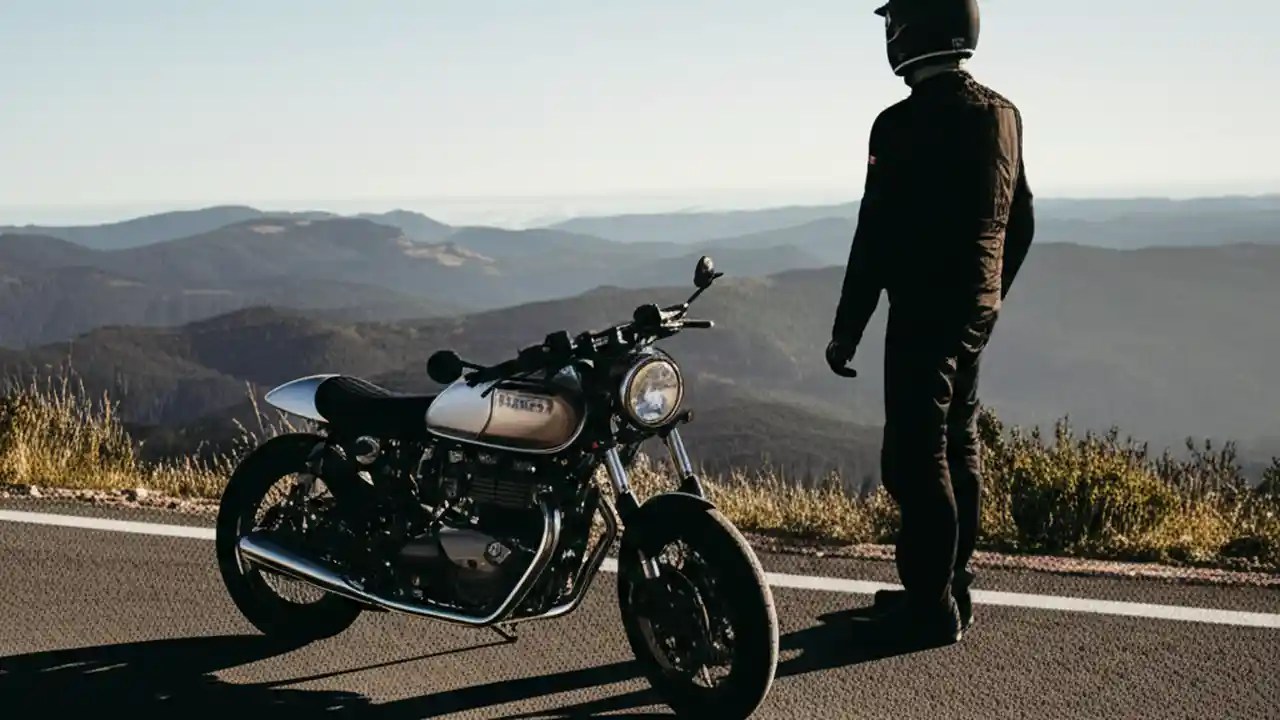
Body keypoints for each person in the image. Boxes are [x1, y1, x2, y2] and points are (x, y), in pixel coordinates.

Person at [826, 0, 1035, 648]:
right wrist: (992, 293)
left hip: (923, 310)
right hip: (974, 309)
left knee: (915, 462)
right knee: (958, 444)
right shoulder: (1004, 114)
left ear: (911, 30)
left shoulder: (898, 125)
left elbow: (875, 237)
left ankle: (928, 610)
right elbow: (1020, 216)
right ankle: (951, 584)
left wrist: (847, 328)